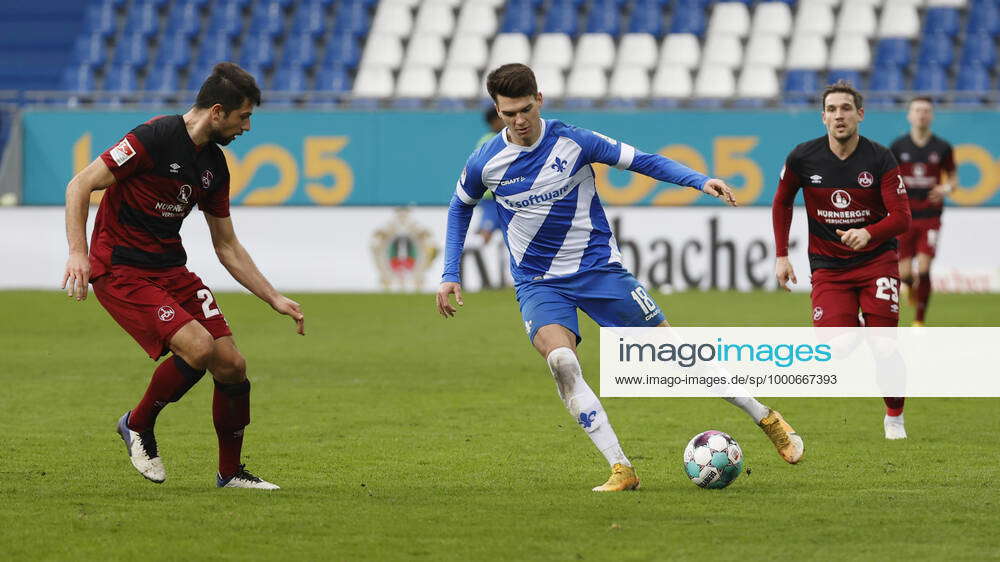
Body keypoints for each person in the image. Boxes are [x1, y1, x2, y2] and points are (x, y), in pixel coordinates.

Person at [436, 64, 803, 492]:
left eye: (524, 109)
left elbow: (642, 161)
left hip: (599, 271)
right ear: (497, 110)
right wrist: (449, 272)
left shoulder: (574, 141)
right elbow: (460, 206)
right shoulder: (486, 161)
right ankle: (621, 468)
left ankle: (766, 416)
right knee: (561, 362)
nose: (518, 122)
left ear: (539, 99)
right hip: (538, 282)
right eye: (507, 113)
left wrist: (700, 181)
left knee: (676, 356)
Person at [62, 62, 305, 489]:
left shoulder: (214, 166)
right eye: (243, 116)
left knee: (231, 365)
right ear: (217, 111)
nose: (247, 127)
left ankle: (230, 474)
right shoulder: (152, 138)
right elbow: (80, 185)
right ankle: (137, 424)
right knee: (198, 347)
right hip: (121, 268)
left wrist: (273, 297)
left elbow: (226, 244)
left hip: (170, 269)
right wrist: (79, 254)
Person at [771, 80, 912, 440]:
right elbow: (782, 202)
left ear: (860, 114)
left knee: (884, 347)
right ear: (823, 117)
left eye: (846, 108)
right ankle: (862, 330)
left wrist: (870, 233)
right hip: (829, 267)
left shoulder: (880, 157)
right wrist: (781, 255)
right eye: (832, 109)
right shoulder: (803, 157)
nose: (839, 116)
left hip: (876, 262)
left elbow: (901, 217)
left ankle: (894, 416)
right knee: (836, 349)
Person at [889, 97, 956, 327]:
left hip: (930, 217)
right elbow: (888, 179)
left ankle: (919, 321)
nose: (921, 114)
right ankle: (909, 286)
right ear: (909, 115)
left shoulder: (943, 147)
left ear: (932, 116)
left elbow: (953, 180)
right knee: (905, 274)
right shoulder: (898, 147)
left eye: (926, 111)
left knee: (925, 268)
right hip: (904, 218)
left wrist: (945, 188)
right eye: (917, 110)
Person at [475, 107, 505, 244]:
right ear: (495, 121)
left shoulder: (507, 137)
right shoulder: (488, 141)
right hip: (491, 196)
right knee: (485, 234)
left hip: (505, 195)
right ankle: (468, 258)